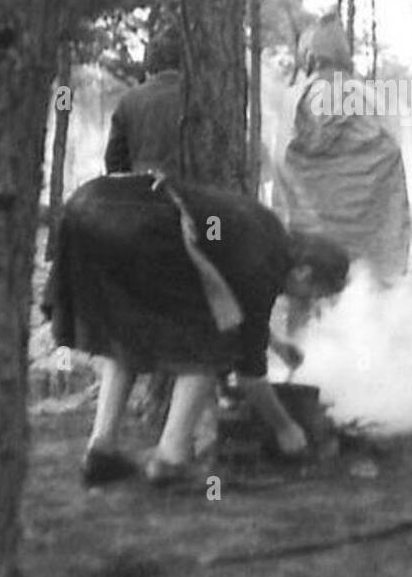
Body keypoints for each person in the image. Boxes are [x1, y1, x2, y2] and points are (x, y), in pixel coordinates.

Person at [45, 174, 350, 486]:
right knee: (210, 346)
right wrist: (285, 428)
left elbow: (229, 299)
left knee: (127, 335)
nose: (309, 303)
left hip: (88, 207)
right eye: (315, 294)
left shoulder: (265, 234)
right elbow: (249, 375)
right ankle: (171, 459)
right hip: (145, 224)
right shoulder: (265, 265)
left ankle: (102, 452)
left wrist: (276, 344)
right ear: (303, 271)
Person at [275, 14, 410, 337]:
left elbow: (281, 159)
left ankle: (300, 360)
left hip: (309, 226)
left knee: (304, 289)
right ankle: (362, 361)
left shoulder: (294, 97)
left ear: (309, 56)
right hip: (364, 228)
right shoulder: (372, 96)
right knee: (363, 290)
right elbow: (393, 151)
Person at [104, 26, 184, 176]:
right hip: (188, 194)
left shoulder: (128, 101)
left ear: (151, 61)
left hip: (139, 191)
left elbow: (114, 161)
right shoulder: (199, 99)